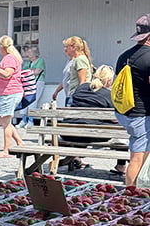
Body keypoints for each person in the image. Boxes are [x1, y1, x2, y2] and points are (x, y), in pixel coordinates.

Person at [58, 66, 124, 174]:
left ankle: (74, 156)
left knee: (84, 124)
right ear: (109, 80)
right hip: (93, 135)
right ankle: (121, 165)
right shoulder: (108, 94)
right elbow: (114, 119)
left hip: (68, 132)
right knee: (122, 129)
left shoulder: (81, 88)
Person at [114, 15, 150, 186]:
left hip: (126, 112)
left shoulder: (124, 55)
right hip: (142, 115)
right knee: (137, 157)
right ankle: (131, 197)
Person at [52, 36, 92, 105]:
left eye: (66, 47)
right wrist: (57, 91)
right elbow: (67, 79)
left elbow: (83, 81)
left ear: (74, 47)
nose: (65, 50)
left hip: (76, 96)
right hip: (71, 94)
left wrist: (79, 97)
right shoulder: (74, 60)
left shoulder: (80, 59)